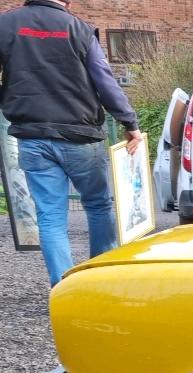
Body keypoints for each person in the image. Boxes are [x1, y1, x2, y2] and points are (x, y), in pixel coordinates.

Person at [0, 0, 143, 286]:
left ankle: (64, 288)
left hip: (32, 136)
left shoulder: (6, 24)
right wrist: (130, 123)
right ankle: (101, 281)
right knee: (98, 205)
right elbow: (105, 82)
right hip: (81, 136)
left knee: (50, 216)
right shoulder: (78, 29)